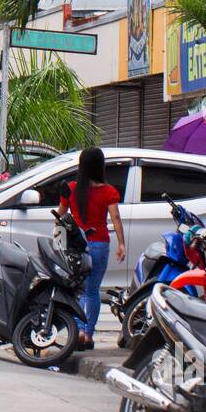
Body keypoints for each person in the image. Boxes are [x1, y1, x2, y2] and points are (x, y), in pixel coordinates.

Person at [58, 147, 127, 350]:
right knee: (92, 291)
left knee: (76, 290)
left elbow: (60, 215)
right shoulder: (109, 192)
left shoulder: (71, 188)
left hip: (76, 245)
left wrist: (59, 242)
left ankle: (77, 330)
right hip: (99, 244)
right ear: (100, 166)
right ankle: (87, 334)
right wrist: (121, 244)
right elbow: (115, 218)